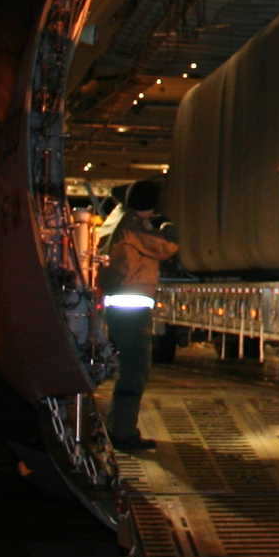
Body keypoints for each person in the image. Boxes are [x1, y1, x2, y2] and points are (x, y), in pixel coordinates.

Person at [101, 179, 178, 452]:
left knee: (127, 371)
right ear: (147, 206)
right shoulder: (131, 227)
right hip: (131, 310)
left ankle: (116, 427)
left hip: (117, 307)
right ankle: (122, 433)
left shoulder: (114, 220)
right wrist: (166, 225)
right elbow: (167, 246)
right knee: (135, 372)